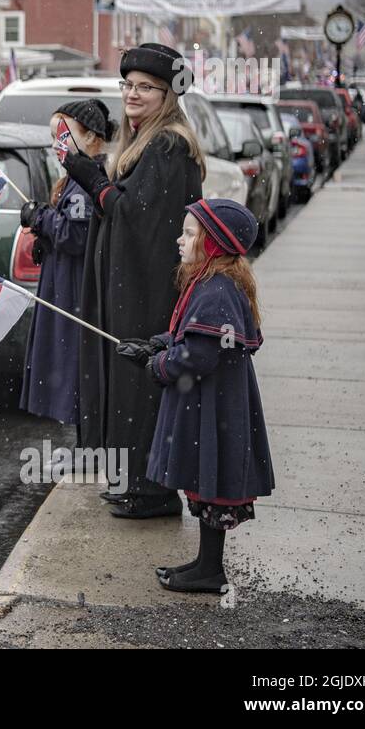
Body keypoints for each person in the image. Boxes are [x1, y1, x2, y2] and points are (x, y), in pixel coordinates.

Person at [62, 43, 204, 519]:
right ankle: (131, 479)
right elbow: (126, 201)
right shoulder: (144, 141)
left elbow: (133, 214)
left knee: (140, 383)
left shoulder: (168, 144)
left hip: (149, 289)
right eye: (129, 85)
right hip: (133, 285)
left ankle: (151, 490)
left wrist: (87, 175)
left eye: (147, 87)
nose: (133, 94)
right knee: (126, 380)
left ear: (168, 94)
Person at [116, 198, 274, 593]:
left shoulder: (216, 290)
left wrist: (158, 367)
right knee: (208, 478)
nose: (180, 240)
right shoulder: (211, 282)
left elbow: (201, 354)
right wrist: (155, 345)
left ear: (214, 244)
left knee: (212, 477)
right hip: (213, 400)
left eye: (189, 233)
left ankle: (210, 570)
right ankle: (205, 564)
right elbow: (192, 335)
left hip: (214, 404)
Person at [18, 99, 115, 424]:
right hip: (63, 285)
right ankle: (77, 442)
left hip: (74, 290)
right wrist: (46, 238)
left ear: (90, 137)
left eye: (63, 134)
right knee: (63, 364)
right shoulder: (74, 179)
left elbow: (76, 236)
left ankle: (84, 446)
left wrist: (41, 218)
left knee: (72, 367)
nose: (56, 144)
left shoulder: (89, 179)